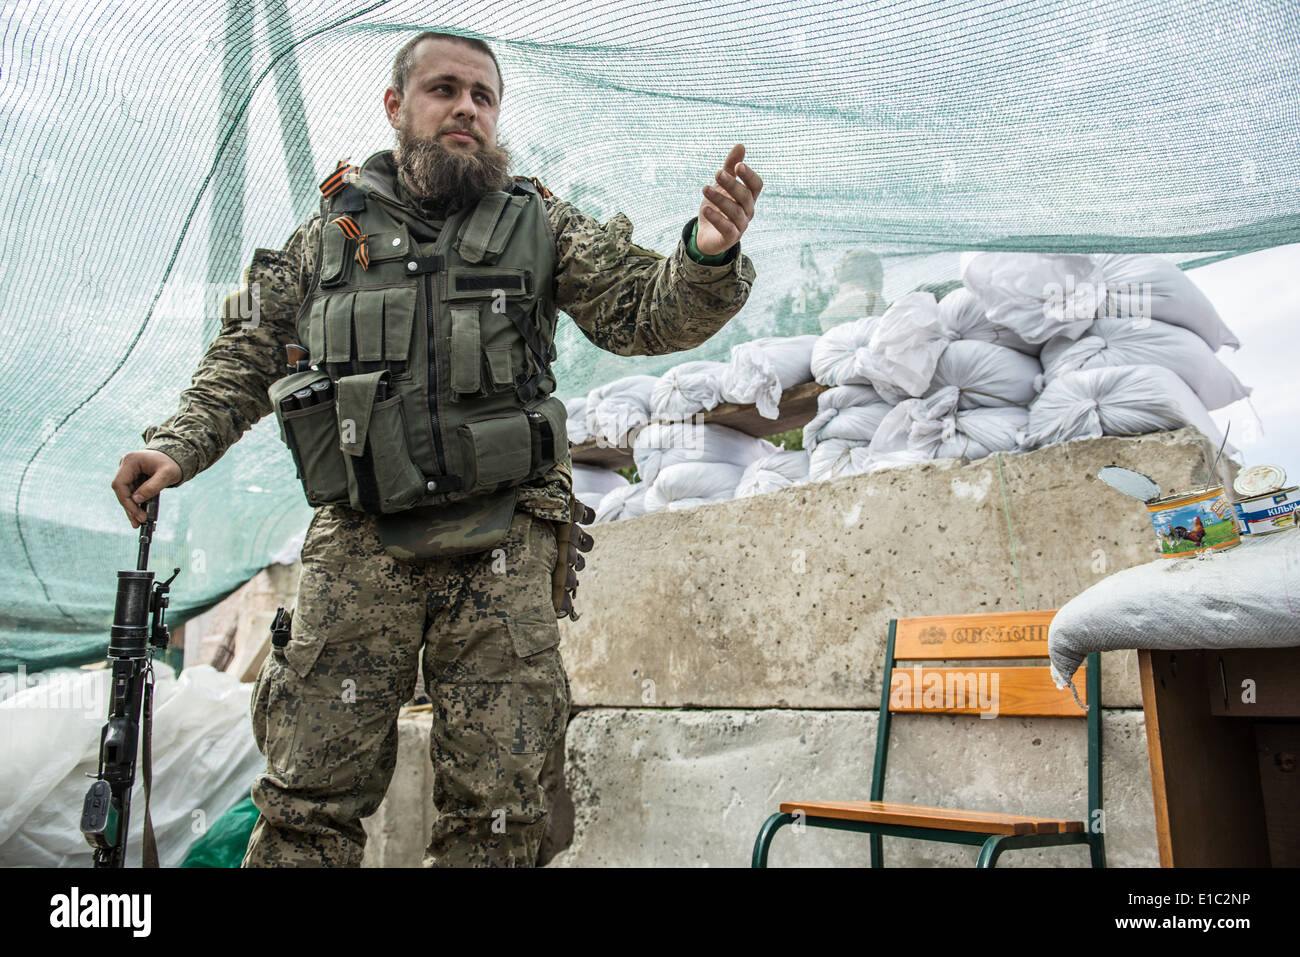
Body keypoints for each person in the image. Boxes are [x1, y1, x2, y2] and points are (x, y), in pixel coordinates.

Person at [109, 31, 761, 867]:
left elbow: (643, 308)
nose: (466, 109)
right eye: (444, 90)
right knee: (309, 798)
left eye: (483, 97)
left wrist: (707, 252)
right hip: (359, 543)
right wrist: (175, 448)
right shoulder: (324, 238)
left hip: (502, 545)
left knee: (499, 808)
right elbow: (244, 355)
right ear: (396, 106)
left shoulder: (540, 222)